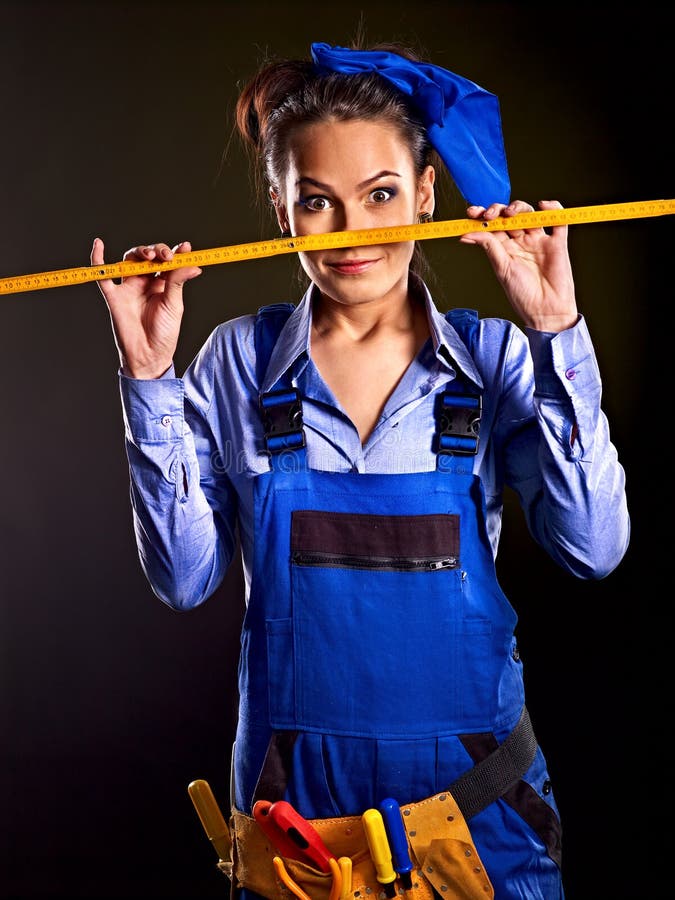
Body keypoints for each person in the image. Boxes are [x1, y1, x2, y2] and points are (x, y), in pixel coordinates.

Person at [92, 41, 629, 900]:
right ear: (280, 211)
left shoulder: (493, 360)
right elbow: (184, 581)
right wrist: (152, 382)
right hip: (296, 837)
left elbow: (593, 547)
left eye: (381, 196)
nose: (353, 235)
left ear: (423, 194)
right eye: (318, 202)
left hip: (479, 825)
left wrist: (556, 332)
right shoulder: (238, 363)